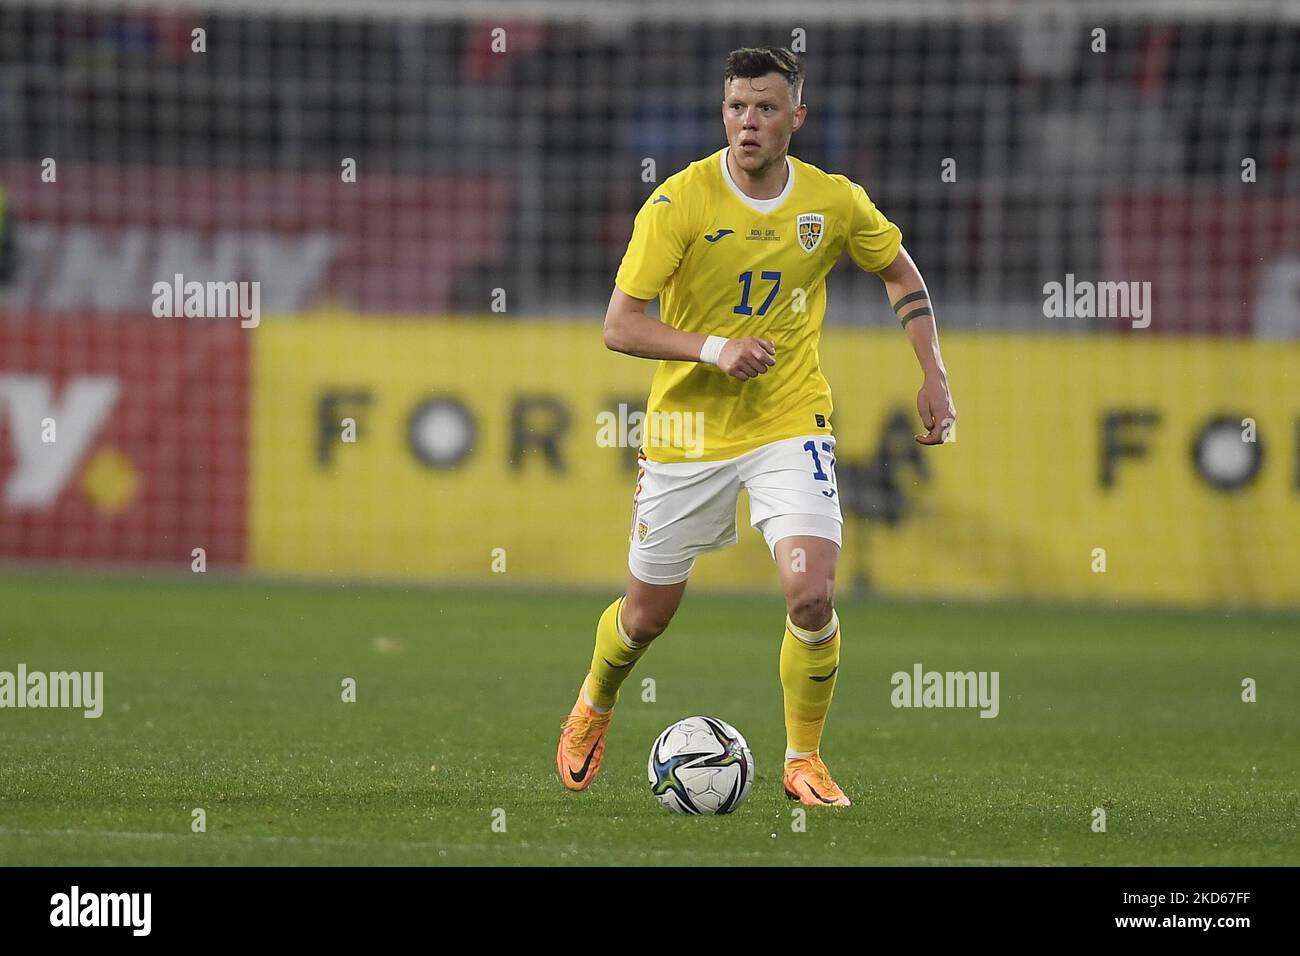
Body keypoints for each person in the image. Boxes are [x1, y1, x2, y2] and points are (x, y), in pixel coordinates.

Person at [557, 46, 956, 807]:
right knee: (646, 616)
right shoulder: (679, 203)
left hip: (789, 419)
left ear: (796, 118)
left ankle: (803, 759)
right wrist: (715, 349)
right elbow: (619, 325)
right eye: (738, 107)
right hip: (688, 430)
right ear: (722, 115)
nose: (750, 121)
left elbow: (900, 271)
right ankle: (594, 705)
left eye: (766, 108)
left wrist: (933, 373)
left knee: (811, 596)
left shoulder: (833, 202)